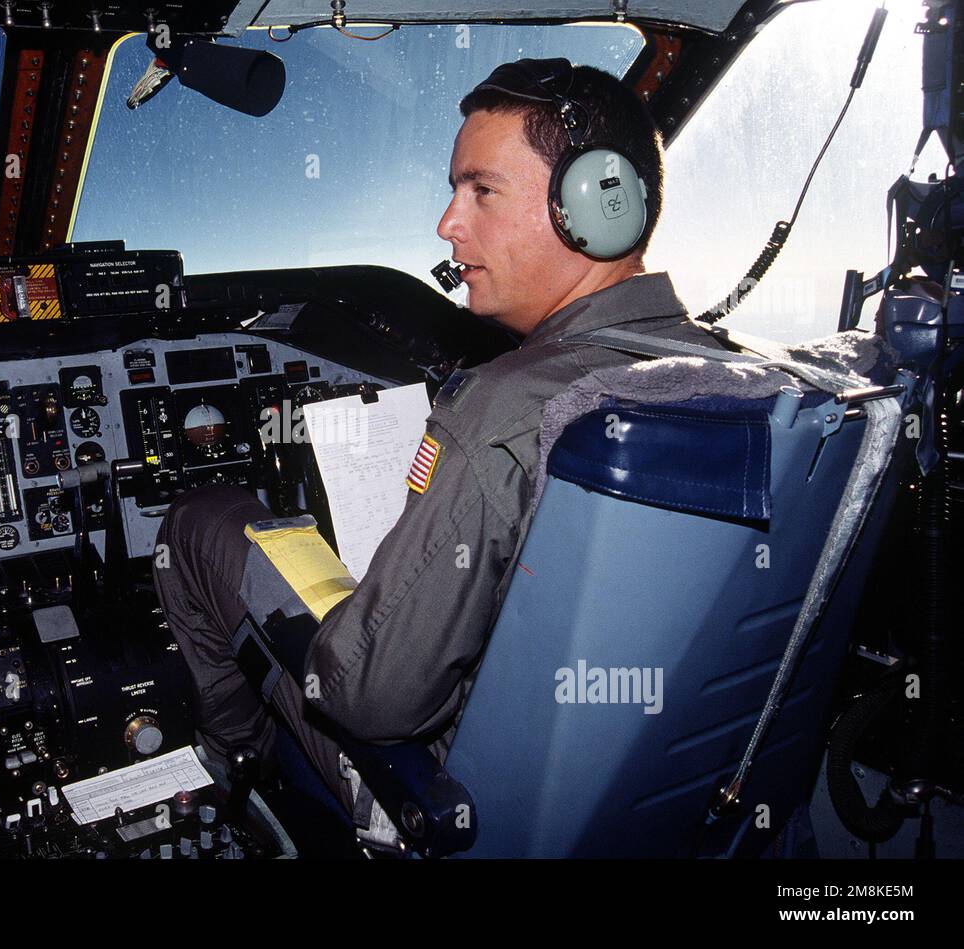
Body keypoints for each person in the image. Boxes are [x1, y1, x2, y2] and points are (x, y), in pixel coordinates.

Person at [153, 58, 730, 816]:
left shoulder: (508, 406)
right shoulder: (745, 377)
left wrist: (349, 610)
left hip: (460, 798)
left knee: (205, 522)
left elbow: (369, 697)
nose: (447, 223)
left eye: (481, 189)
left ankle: (244, 779)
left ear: (596, 203)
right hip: (672, 795)